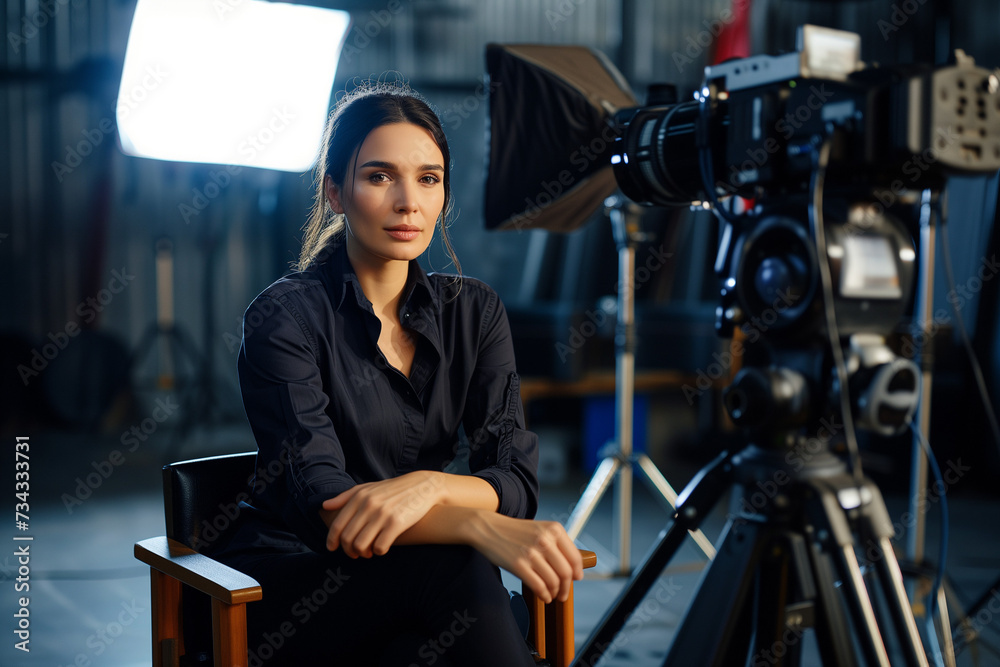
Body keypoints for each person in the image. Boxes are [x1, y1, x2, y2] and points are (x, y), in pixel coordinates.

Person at [215, 78, 583, 666]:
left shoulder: (474, 312)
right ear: (336, 193)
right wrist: (472, 525)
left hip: (424, 583)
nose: (408, 201)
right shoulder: (284, 318)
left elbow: (515, 477)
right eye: (380, 176)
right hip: (296, 583)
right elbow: (328, 509)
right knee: (463, 572)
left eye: (428, 178)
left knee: (442, 626)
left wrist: (430, 486)